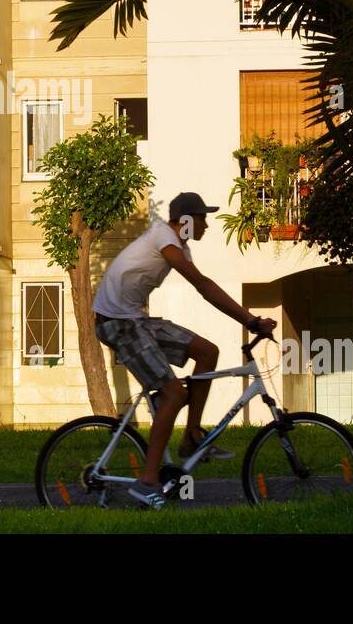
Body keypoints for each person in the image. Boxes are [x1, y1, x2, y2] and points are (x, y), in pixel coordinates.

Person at [93, 192, 277, 509]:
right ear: (187, 220)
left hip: (135, 319)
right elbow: (203, 286)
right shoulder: (165, 237)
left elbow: (205, 286)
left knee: (207, 352)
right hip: (116, 323)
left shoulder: (179, 246)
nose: (207, 224)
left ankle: (191, 437)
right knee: (175, 394)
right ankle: (147, 482)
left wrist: (248, 320)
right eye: (203, 217)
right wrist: (250, 320)